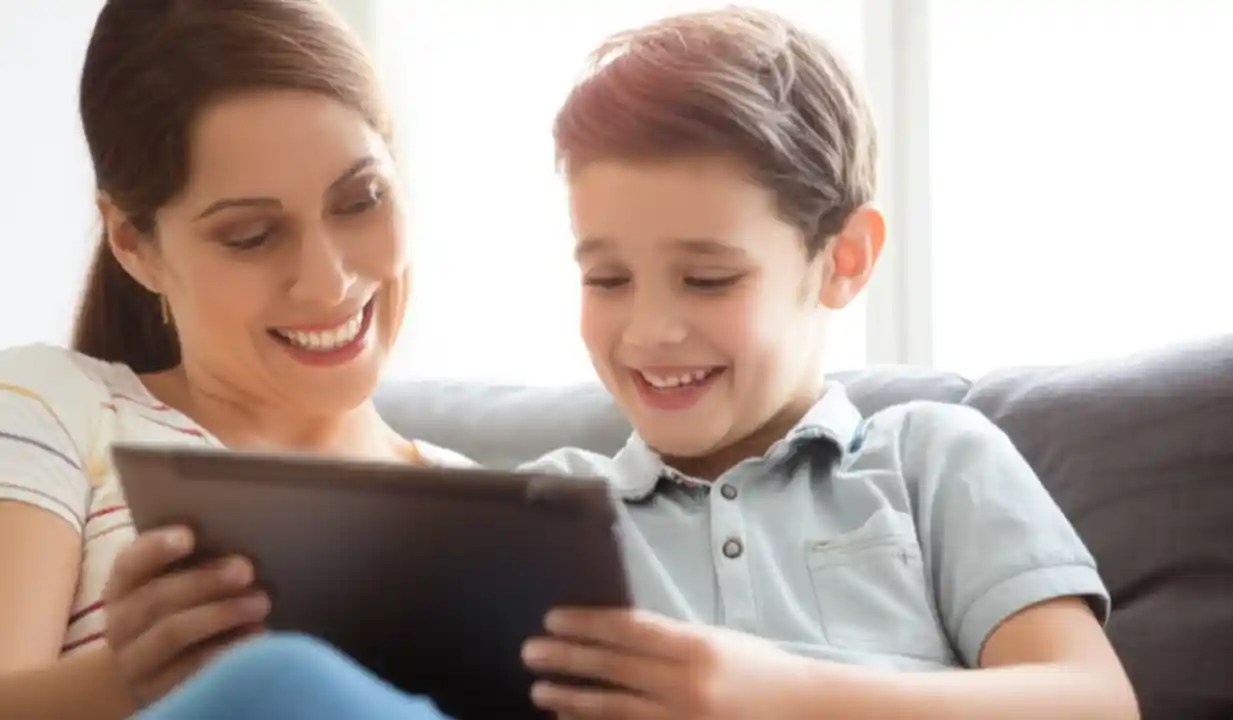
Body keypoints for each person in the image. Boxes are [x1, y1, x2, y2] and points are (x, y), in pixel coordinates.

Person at [115, 6, 1141, 720]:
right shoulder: (544, 513)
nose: (648, 332)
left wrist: (776, 700)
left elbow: (1091, 704)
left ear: (842, 260)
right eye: (606, 280)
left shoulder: (931, 460)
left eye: (704, 280)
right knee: (276, 684)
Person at [0, 1, 467, 717]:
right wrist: (126, 681)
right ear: (133, 244)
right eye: (251, 235)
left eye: (361, 200)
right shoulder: (59, 410)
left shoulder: (488, 513)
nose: (328, 281)